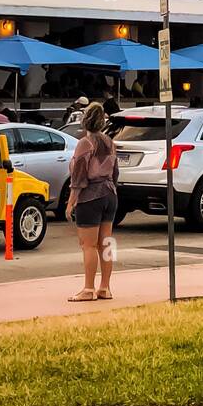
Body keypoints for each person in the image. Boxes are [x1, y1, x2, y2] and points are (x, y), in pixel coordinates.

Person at [66, 101, 119, 302]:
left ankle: (88, 289)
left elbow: (78, 178)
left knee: (88, 245)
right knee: (105, 243)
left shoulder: (84, 144)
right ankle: (105, 287)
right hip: (110, 194)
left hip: (90, 196)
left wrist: (71, 203)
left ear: (85, 121)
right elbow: (115, 173)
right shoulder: (110, 143)